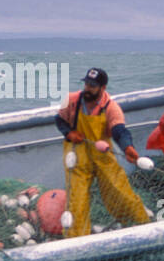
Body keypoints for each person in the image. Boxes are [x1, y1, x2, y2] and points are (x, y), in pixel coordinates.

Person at [56, 67, 149, 237]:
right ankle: (76, 239)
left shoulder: (111, 107)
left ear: (103, 87)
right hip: (77, 153)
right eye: (86, 84)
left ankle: (140, 224)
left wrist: (127, 147)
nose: (87, 88)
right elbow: (59, 120)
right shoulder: (70, 99)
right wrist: (69, 133)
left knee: (118, 190)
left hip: (103, 154)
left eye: (92, 85)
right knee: (77, 199)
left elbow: (119, 130)